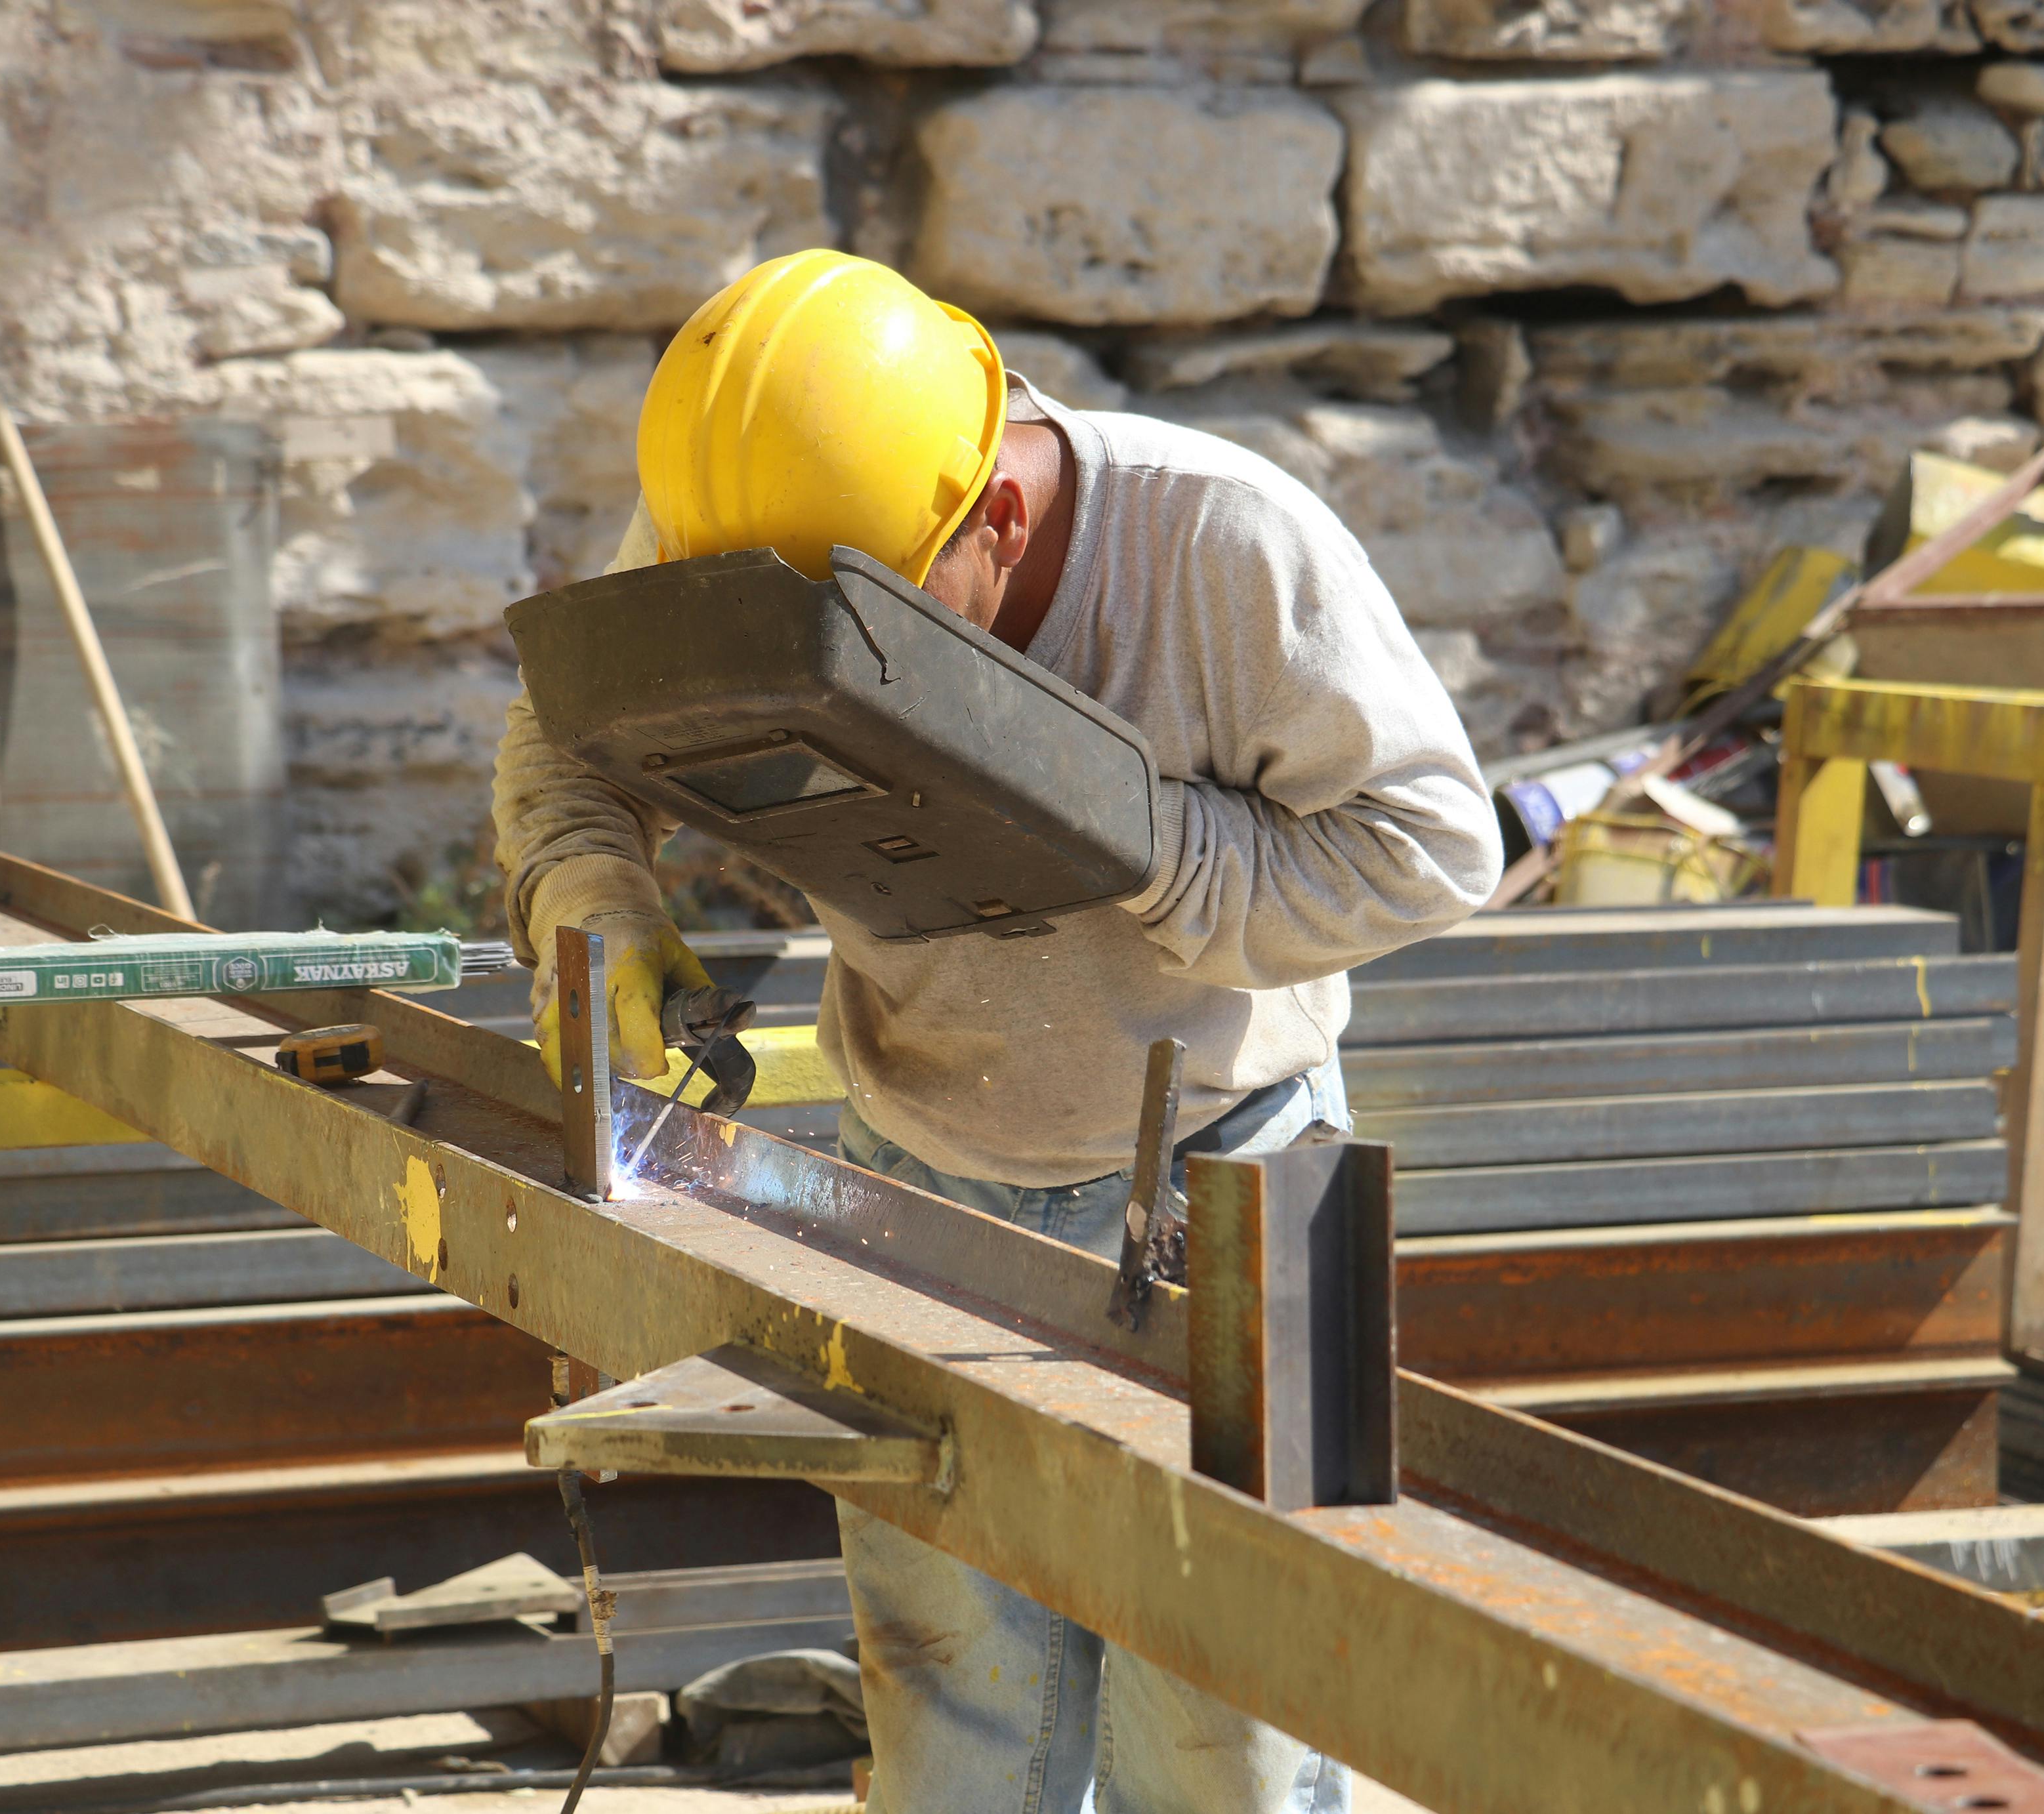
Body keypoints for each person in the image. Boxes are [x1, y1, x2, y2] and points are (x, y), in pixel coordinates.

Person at [491, 249, 1501, 1813]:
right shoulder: (768, 527)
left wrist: (1131, 836)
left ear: (1001, 525)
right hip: (913, 1187)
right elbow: (564, 751)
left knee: (1226, 1763)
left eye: (871, 634)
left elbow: (1435, 846)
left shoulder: (1223, 542)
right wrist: (598, 908)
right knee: (960, 1754)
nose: (821, 671)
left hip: (1226, 1195)